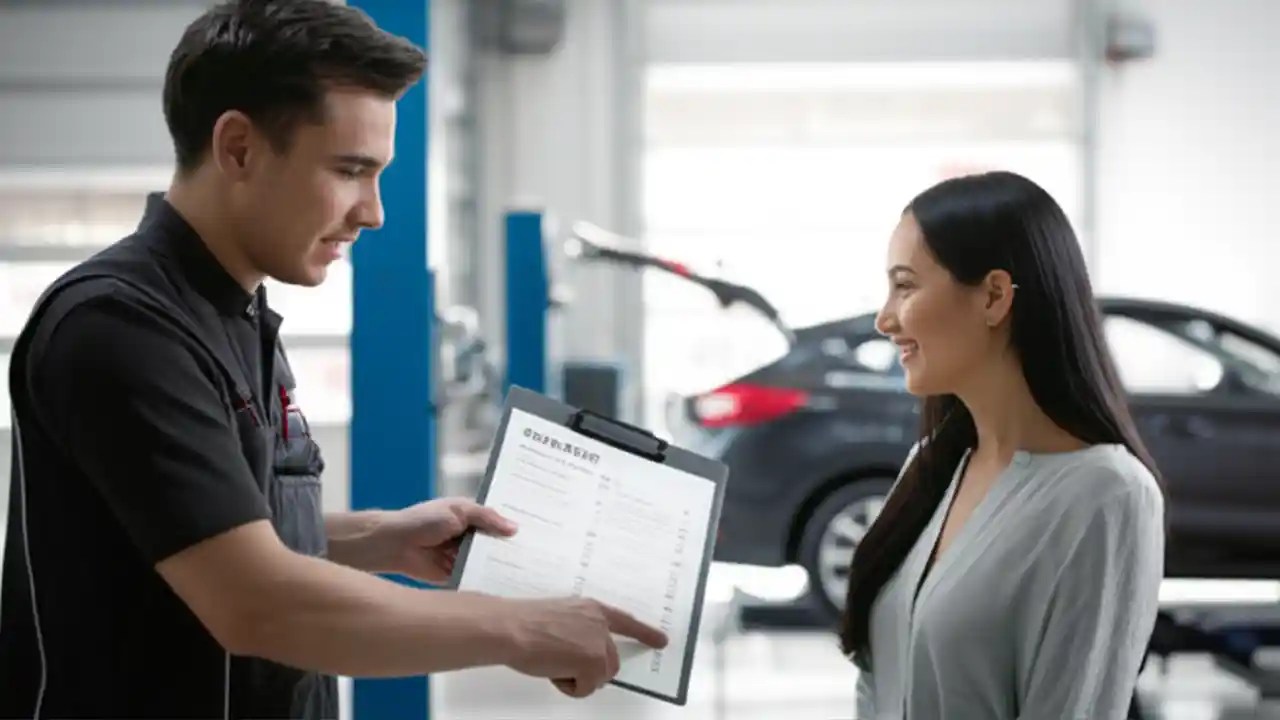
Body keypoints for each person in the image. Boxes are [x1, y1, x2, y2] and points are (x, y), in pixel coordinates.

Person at [0, 2, 666, 718]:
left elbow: (204, 524)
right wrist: (518, 627)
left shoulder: (235, 312)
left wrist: (383, 537)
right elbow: (256, 601)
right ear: (239, 149)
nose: (374, 211)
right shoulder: (120, 327)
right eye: (351, 170)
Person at [840, 171, 1166, 719]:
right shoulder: (933, 467)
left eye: (906, 284)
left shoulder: (1108, 495)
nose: (884, 318)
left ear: (993, 296)